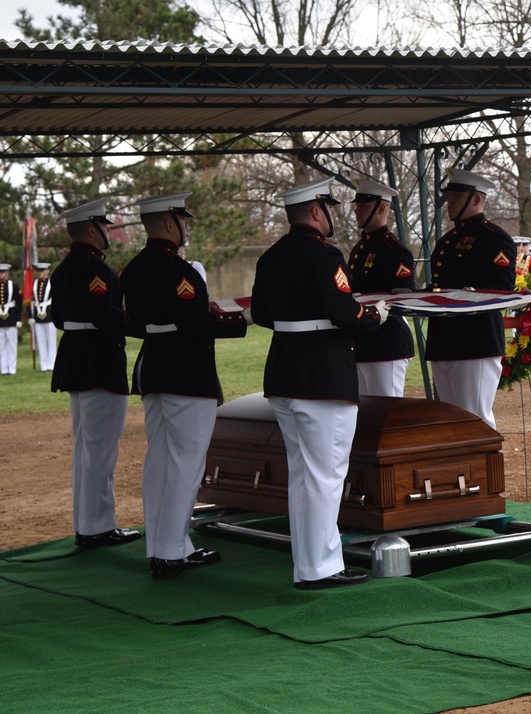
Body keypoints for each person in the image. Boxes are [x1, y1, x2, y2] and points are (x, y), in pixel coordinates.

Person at [252, 177, 387, 589]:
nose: (334, 216)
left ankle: (308, 564)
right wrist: (376, 315)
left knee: (304, 475)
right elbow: (345, 311)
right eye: (329, 208)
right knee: (325, 475)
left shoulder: (271, 256)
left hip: (284, 373)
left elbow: (260, 313)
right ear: (317, 211)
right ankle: (321, 567)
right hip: (322, 376)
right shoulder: (325, 255)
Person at [121, 192, 247, 580]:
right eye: (184, 222)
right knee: (186, 463)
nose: (186, 228)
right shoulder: (180, 271)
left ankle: (162, 545)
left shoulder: (133, 268)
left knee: (160, 460)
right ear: (172, 223)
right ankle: (171, 551)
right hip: (185, 372)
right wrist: (240, 320)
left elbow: (136, 321)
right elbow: (195, 324)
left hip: (154, 367)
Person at [50, 198, 142, 548]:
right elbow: (106, 316)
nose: (108, 233)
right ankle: (97, 527)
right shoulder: (95, 271)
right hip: (98, 362)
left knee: (88, 448)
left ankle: (88, 523)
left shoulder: (63, 270)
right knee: (100, 449)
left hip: (76, 359)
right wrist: (146, 322)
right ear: (92, 229)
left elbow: (58, 318)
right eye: (104, 227)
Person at [425, 168, 516, 429]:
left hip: (475, 342)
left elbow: (502, 287)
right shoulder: (446, 241)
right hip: (443, 340)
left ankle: (485, 471)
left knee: (475, 419)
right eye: (449, 194)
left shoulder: (494, 238)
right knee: (450, 421)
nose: (450, 200)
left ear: (476, 199)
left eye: (456, 194)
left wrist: (469, 294)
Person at [347, 177, 417, 397]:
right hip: (363, 341)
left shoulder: (394, 250)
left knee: (387, 412)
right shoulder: (360, 247)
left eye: (364, 206)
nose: (357, 211)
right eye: (357, 206)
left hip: (386, 343)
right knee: (366, 415)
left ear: (382, 208)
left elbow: (403, 298)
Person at [29, 263, 57, 372]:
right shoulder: (34, 283)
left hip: (50, 315)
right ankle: (43, 365)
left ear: (47, 271)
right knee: (41, 341)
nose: (40, 273)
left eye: (42, 271)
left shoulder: (52, 283)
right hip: (37, 316)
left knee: (51, 341)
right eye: (39, 271)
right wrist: (31, 316)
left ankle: (52, 364)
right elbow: (31, 301)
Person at [0, 263, 23, 375]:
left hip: (11, 318)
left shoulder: (14, 286)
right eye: (0, 272)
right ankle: (4, 369)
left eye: (3, 272)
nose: (1, 275)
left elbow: (19, 304)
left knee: (12, 345)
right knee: (1, 345)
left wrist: (19, 319)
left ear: (7, 273)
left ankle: (12, 368)